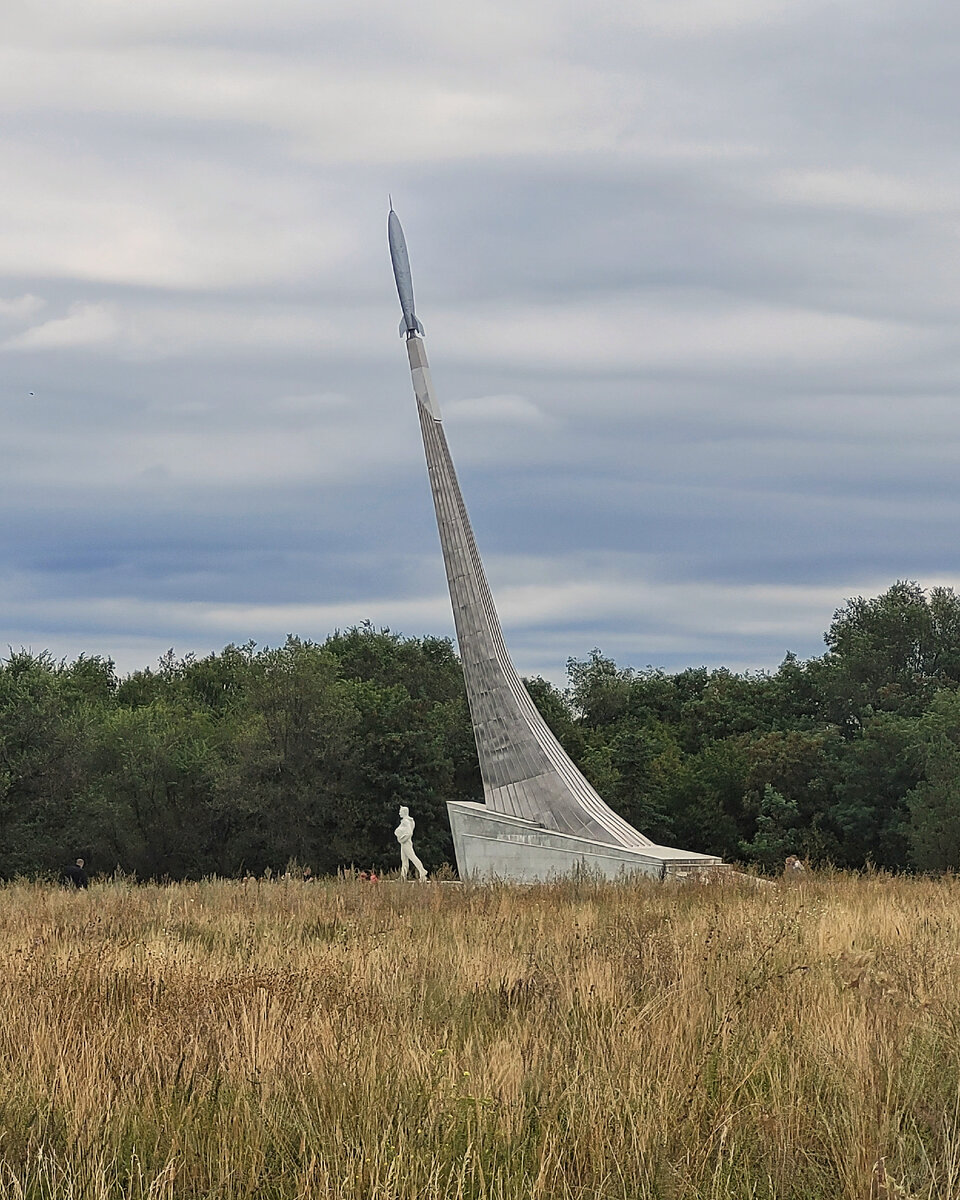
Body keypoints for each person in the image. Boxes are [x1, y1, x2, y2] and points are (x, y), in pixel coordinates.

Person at [395, 806, 427, 881]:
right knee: (404, 860)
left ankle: (422, 871)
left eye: (400, 812)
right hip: (404, 843)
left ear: (404, 812)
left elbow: (409, 832)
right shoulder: (409, 820)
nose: (399, 813)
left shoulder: (406, 821)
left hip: (406, 843)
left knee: (412, 858)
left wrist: (402, 839)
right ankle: (403, 876)